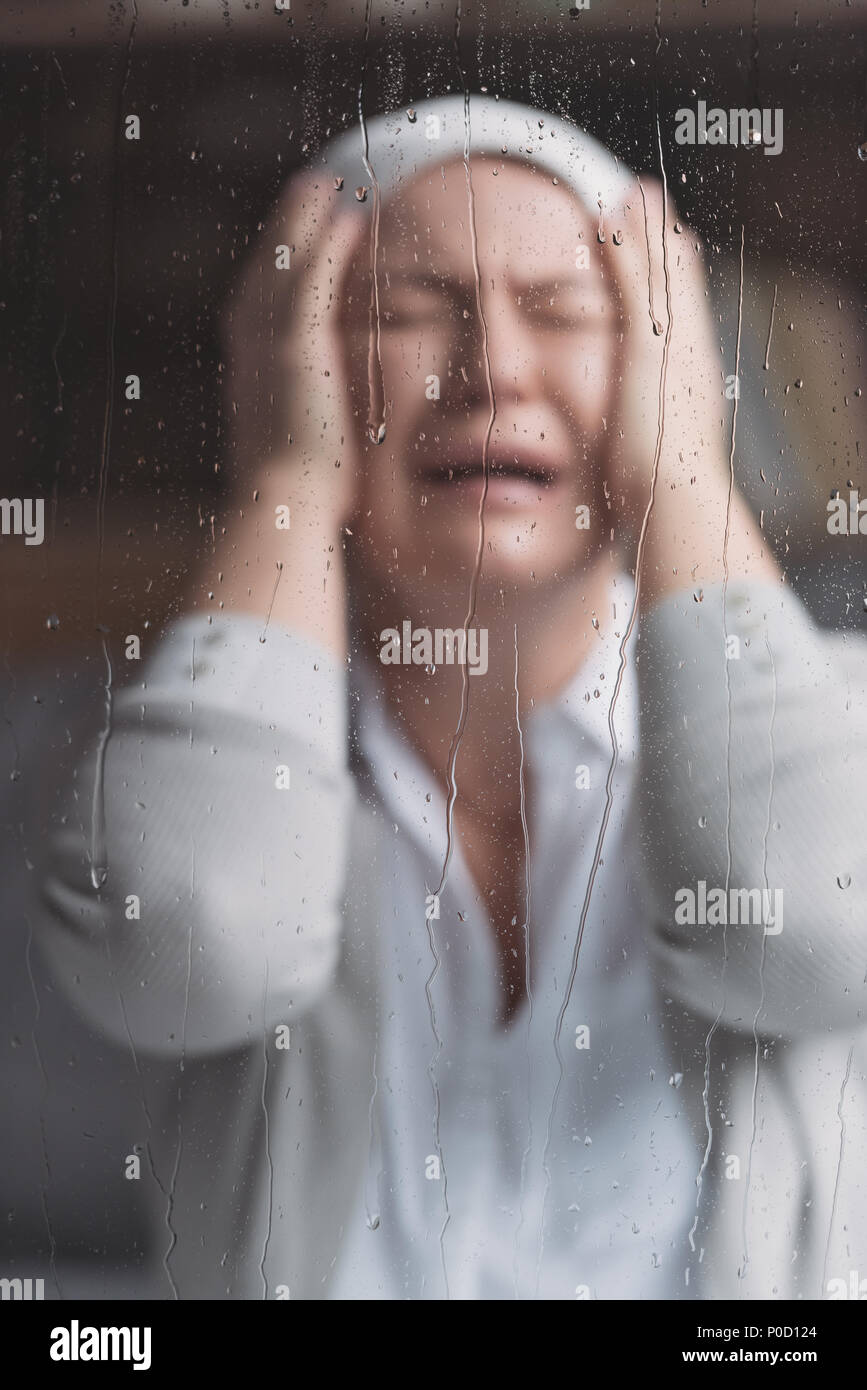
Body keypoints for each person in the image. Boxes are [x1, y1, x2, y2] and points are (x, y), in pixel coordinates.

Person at [37, 96, 867, 1301]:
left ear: (670, 361)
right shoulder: (195, 747)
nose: (494, 370)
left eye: (565, 312)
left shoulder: (826, 723)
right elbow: (186, 930)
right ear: (292, 369)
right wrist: (281, 487)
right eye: (410, 311)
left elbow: (810, 924)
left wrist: (683, 477)